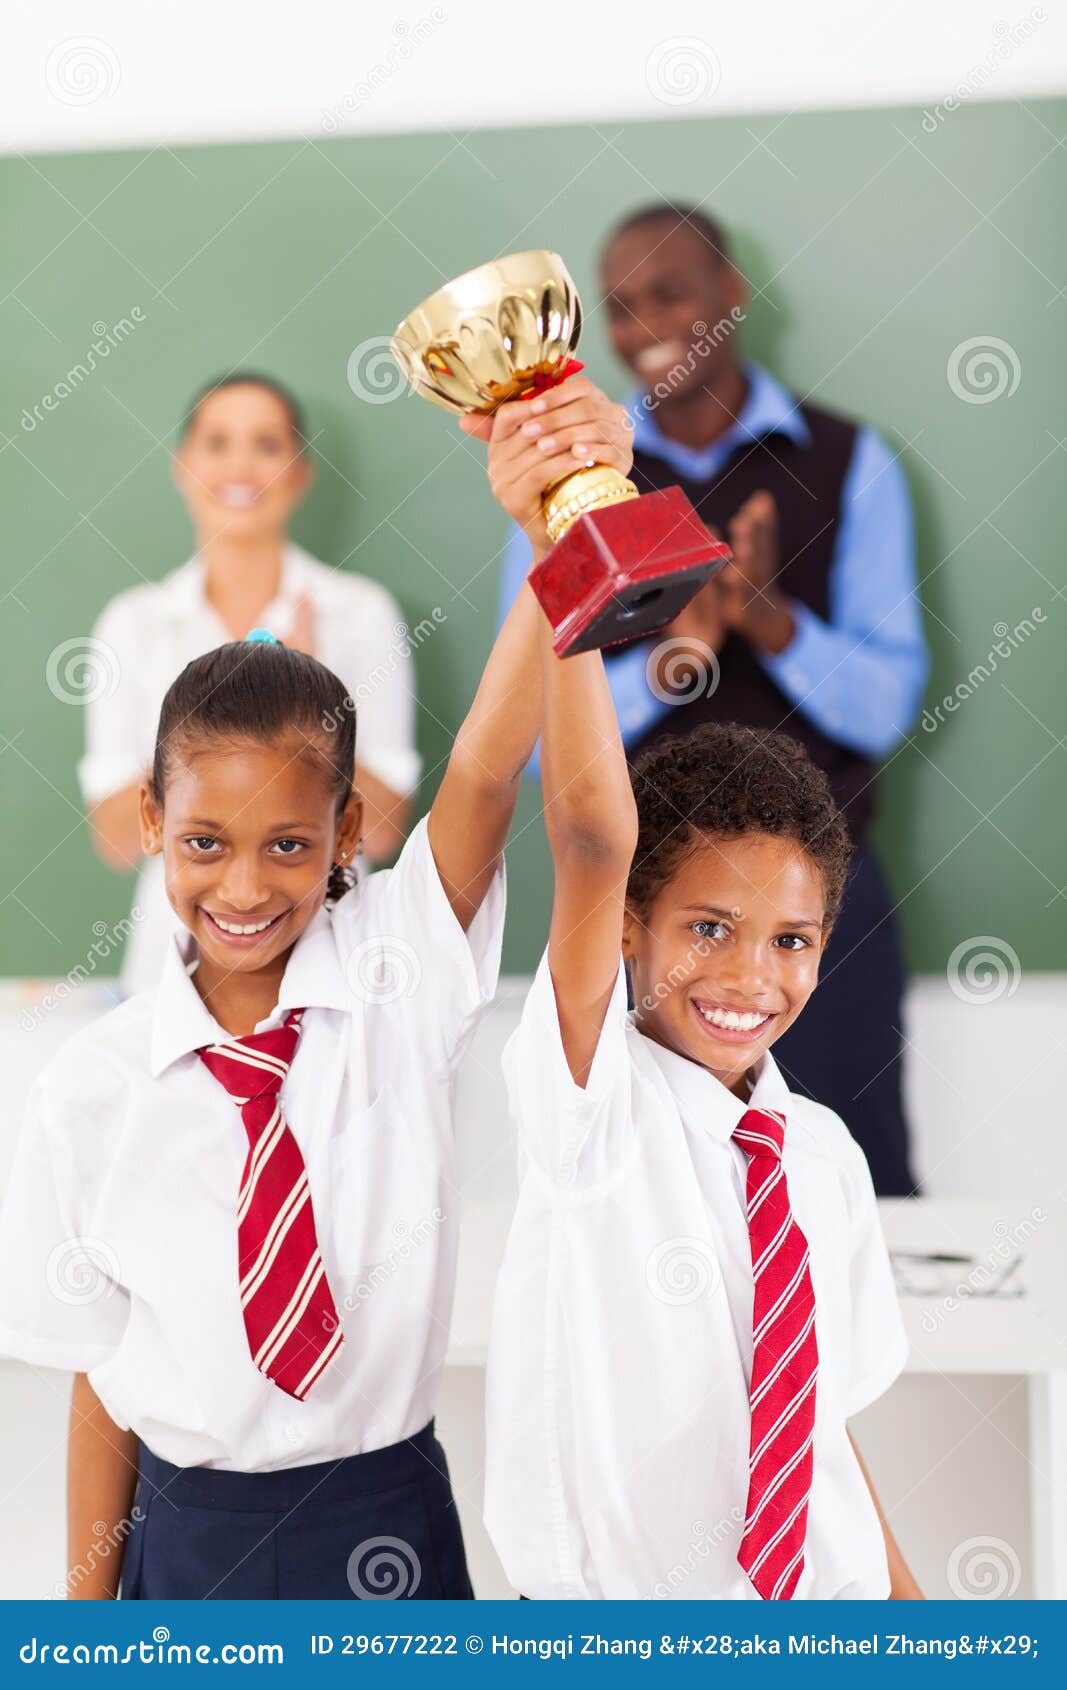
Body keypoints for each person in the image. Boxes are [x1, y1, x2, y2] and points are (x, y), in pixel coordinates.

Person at [0, 376, 635, 1600]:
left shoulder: (397, 976)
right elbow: (99, 1377)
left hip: (379, 1517)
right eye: (203, 843)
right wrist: (83, 1628)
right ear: (152, 822)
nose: (244, 886)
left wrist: (552, 523)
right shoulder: (92, 1088)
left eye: (289, 844)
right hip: (182, 1540)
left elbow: (490, 771)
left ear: (349, 829)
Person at [483, 516, 921, 1597]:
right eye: (706, 928)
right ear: (628, 923)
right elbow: (588, 831)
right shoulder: (590, 1107)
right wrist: (566, 549)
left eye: (790, 941)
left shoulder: (815, 1152)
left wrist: (914, 1616)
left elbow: (814, 1427)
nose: (747, 977)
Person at [497, 205, 930, 1197]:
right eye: (616, 304)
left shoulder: (846, 465)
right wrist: (677, 655)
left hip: (817, 909)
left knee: (846, 1175)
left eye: (669, 292)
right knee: (634, 1189)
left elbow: (882, 704)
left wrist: (771, 622)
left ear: (731, 296)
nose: (641, 322)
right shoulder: (573, 486)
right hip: (630, 908)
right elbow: (523, 736)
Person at [81, 372, 421, 997]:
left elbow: (385, 827)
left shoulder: (360, 613)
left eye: (266, 444)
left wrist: (315, 709)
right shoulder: (132, 624)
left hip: (334, 958)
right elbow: (114, 838)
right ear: (183, 465)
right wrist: (219, 716)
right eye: (217, 443)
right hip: (171, 972)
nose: (240, 463)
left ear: (299, 473)